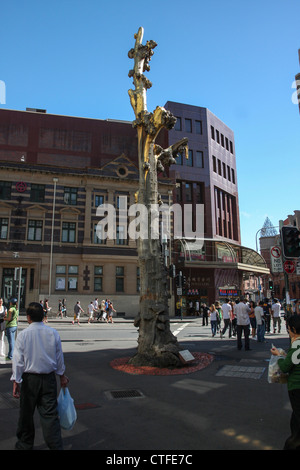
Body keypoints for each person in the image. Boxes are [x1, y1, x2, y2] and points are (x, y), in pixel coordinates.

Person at [11, 302, 69, 450]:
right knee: (50, 417)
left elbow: (18, 361)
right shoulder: (53, 333)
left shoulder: (23, 335)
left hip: (30, 380)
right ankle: (56, 446)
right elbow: (59, 357)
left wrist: (16, 381)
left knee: (26, 416)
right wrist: (61, 375)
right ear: (43, 317)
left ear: (28, 317)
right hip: (48, 379)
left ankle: (24, 445)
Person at [271, 314, 300, 450]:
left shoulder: (297, 346)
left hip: (296, 386)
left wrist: (279, 356)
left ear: (294, 329)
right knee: (296, 416)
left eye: (288, 329)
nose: (288, 331)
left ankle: (294, 442)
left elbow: (285, 367)